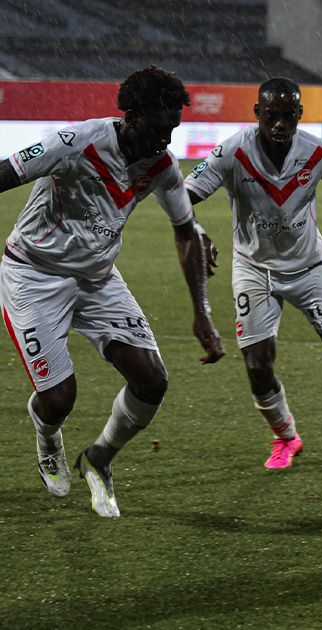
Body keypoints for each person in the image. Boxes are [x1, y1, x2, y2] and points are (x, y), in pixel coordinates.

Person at [0, 65, 224, 517]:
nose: (165, 141)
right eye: (158, 129)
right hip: (34, 275)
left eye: (173, 130)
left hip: (98, 279)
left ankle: (99, 458)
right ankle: (48, 439)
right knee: (59, 400)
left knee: (152, 380)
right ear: (132, 116)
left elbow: (186, 230)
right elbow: (7, 172)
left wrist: (202, 311)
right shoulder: (76, 142)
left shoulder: (161, 164)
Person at [184, 77, 322, 470]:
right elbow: (183, 196)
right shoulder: (231, 152)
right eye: (271, 115)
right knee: (257, 366)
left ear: (300, 115)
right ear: (257, 113)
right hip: (254, 269)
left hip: (308, 269)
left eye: (288, 116)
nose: (280, 124)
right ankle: (285, 437)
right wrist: (199, 233)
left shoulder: (318, 151)